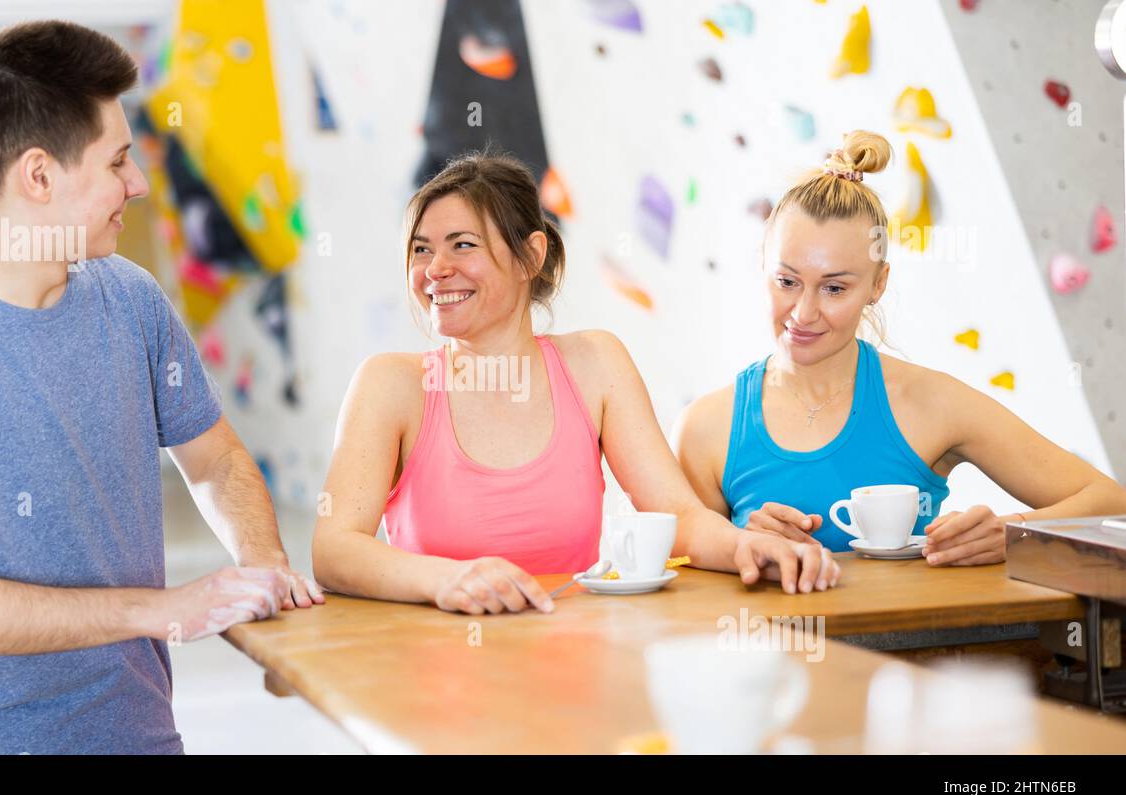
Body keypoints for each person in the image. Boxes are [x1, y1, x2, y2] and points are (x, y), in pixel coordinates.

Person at [0, 20, 321, 755]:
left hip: (143, 736)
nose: (137, 183)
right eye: (119, 160)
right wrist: (157, 609)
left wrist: (263, 564)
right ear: (39, 175)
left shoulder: (132, 299)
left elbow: (217, 460)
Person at [312, 152, 839, 616]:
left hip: (574, 680)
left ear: (530, 257)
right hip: (438, 687)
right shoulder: (391, 385)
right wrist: (446, 580)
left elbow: (677, 516)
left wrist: (744, 548)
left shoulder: (596, 364)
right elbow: (334, 548)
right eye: (422, 250)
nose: (435, 270)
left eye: (462, 245)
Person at [675, 130, 1126, 564]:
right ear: (763, 266)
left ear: (878, 284)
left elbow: (1111, 503)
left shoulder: (931, 403)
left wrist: (1015, 533)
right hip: (771, 645)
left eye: (834, 289)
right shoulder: (706, 428)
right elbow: (682, 580)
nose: (804, 312)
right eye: (787, 281)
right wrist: (738, 548)